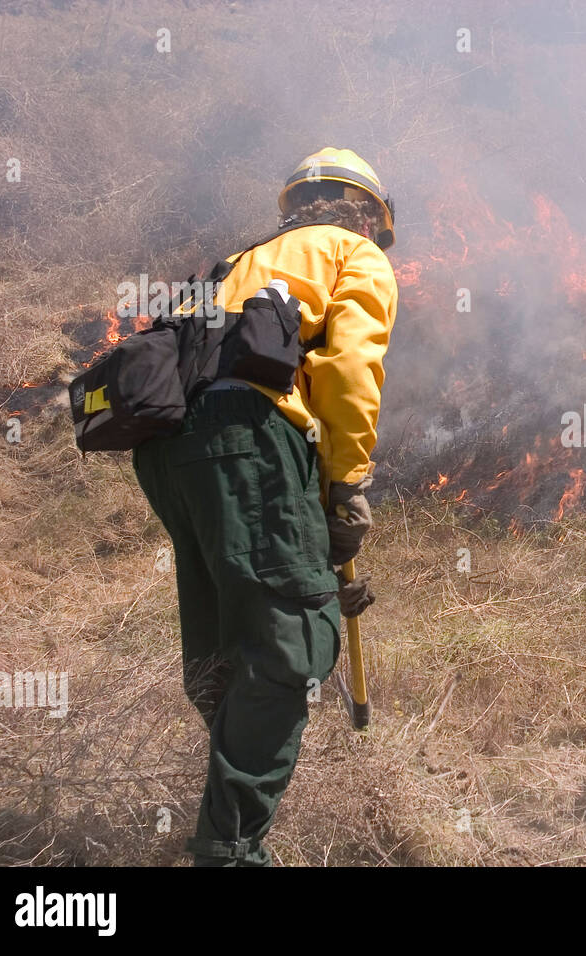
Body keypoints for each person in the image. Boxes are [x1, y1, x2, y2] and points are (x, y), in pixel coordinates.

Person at [132, 148, 399, 864]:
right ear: (367, 212)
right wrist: (348, 488)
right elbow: (347, 370)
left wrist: (312, 526)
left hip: (168, 452)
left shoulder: (235, 262)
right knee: (292, 648)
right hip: (247, 438)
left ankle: (227, 810)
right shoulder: (354, 253)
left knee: (226, 645)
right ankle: (230, 850)